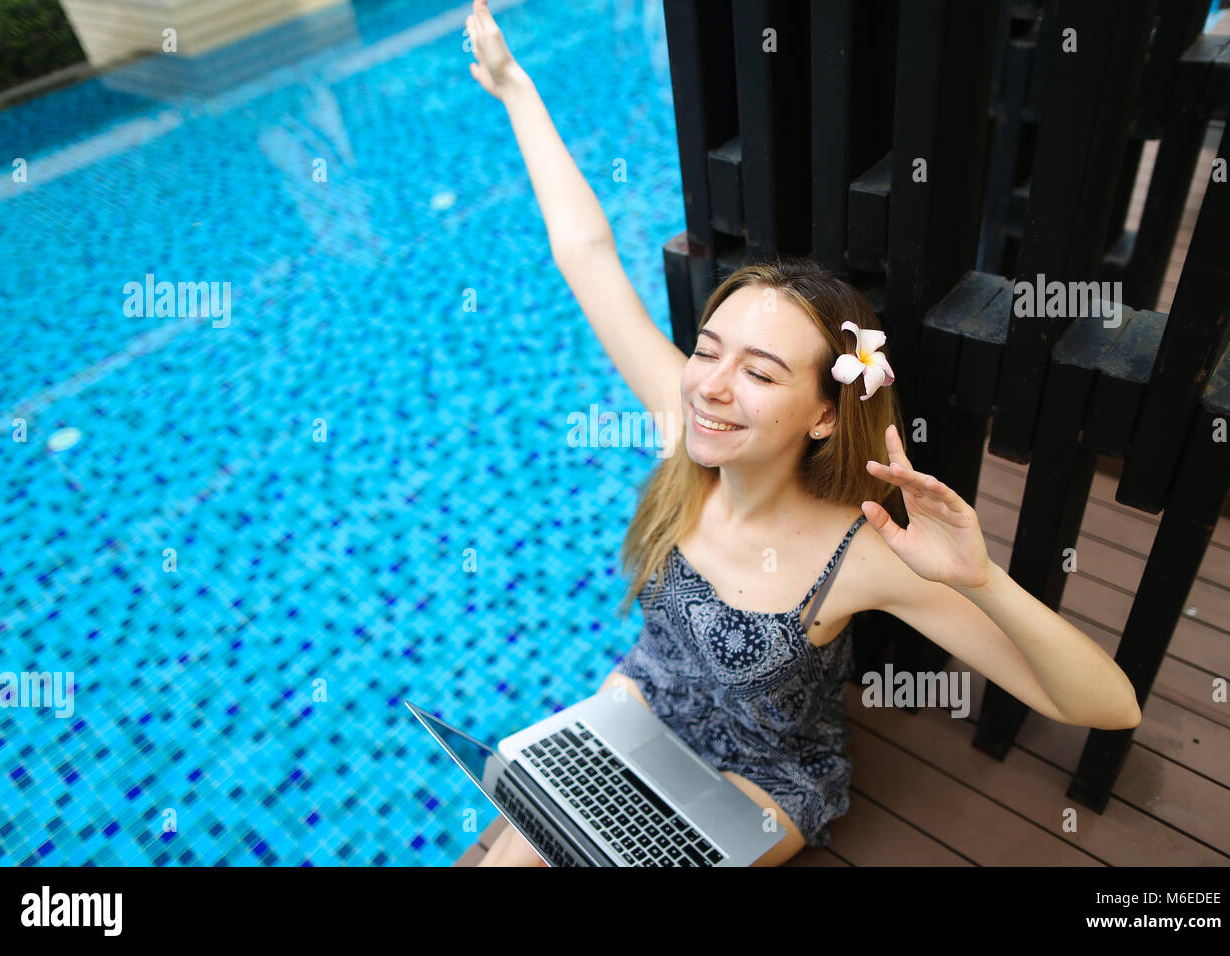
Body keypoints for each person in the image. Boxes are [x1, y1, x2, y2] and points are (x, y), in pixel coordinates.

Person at [464, 0, 1141, 868]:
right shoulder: (689, 429)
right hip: (635, 711)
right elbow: (586, 255)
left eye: (760, 372)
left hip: (760, 779)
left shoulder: (860, 553)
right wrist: (516, 89)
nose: (712, 384)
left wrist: (983, 581)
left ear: (825, 412)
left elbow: (1107, 705)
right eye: (709, 351)